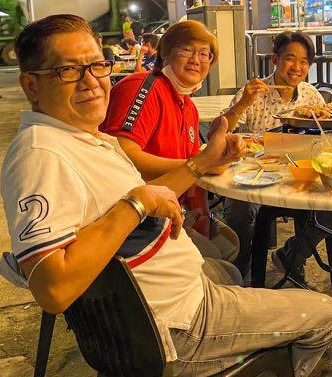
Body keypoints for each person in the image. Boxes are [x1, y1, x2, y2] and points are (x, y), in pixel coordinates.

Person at [1, 14, 332, 377]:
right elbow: (52, 289)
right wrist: (137, 204)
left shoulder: (81, 138)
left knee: (227, 271)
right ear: (31, 85)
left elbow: (150, 190)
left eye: (96, 65)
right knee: (324, 315)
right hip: (172, 328)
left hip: (162, 300)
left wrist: (199, 166)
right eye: (67, 70)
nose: (91, 81)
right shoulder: (41, 156)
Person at [102, 21, 239, 264]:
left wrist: (218, 156)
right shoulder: (142, 87)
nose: (196, 59)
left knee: (231, 243)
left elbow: (190, 162)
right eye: (186, 49)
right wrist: (201, 163)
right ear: (165, 52)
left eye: (204, 54)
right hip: (135, 218)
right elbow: (122, 153)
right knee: (223, 255)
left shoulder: (188, 106)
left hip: (177, 210)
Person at [220, 32, 332, 283]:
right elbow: (222, 131)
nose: (297, 67)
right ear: (275, 59)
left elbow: (326, 136)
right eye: (290, 59)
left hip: (298, 173)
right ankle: (238, 276)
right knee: (239, 211)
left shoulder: (311, 96)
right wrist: (243, 103)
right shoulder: (254, 92)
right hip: (253, 172)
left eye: (305, 61)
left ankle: (291, 257)